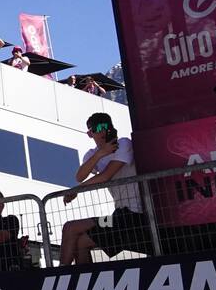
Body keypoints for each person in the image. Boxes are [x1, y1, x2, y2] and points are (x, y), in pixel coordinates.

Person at [59, 112, 150, 265]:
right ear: (90, 133)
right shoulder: (93, 154)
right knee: (73, 232)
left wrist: (76, 190)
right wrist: (100, 153)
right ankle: (74, 277)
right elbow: (80, 176)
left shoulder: (123, 143)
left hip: (135, 215)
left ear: (111, 127)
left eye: (105, 126)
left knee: (76, 232)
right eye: (97, 128)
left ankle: (60, 275)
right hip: (119, 216)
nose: (102, 131)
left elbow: (106, 175)